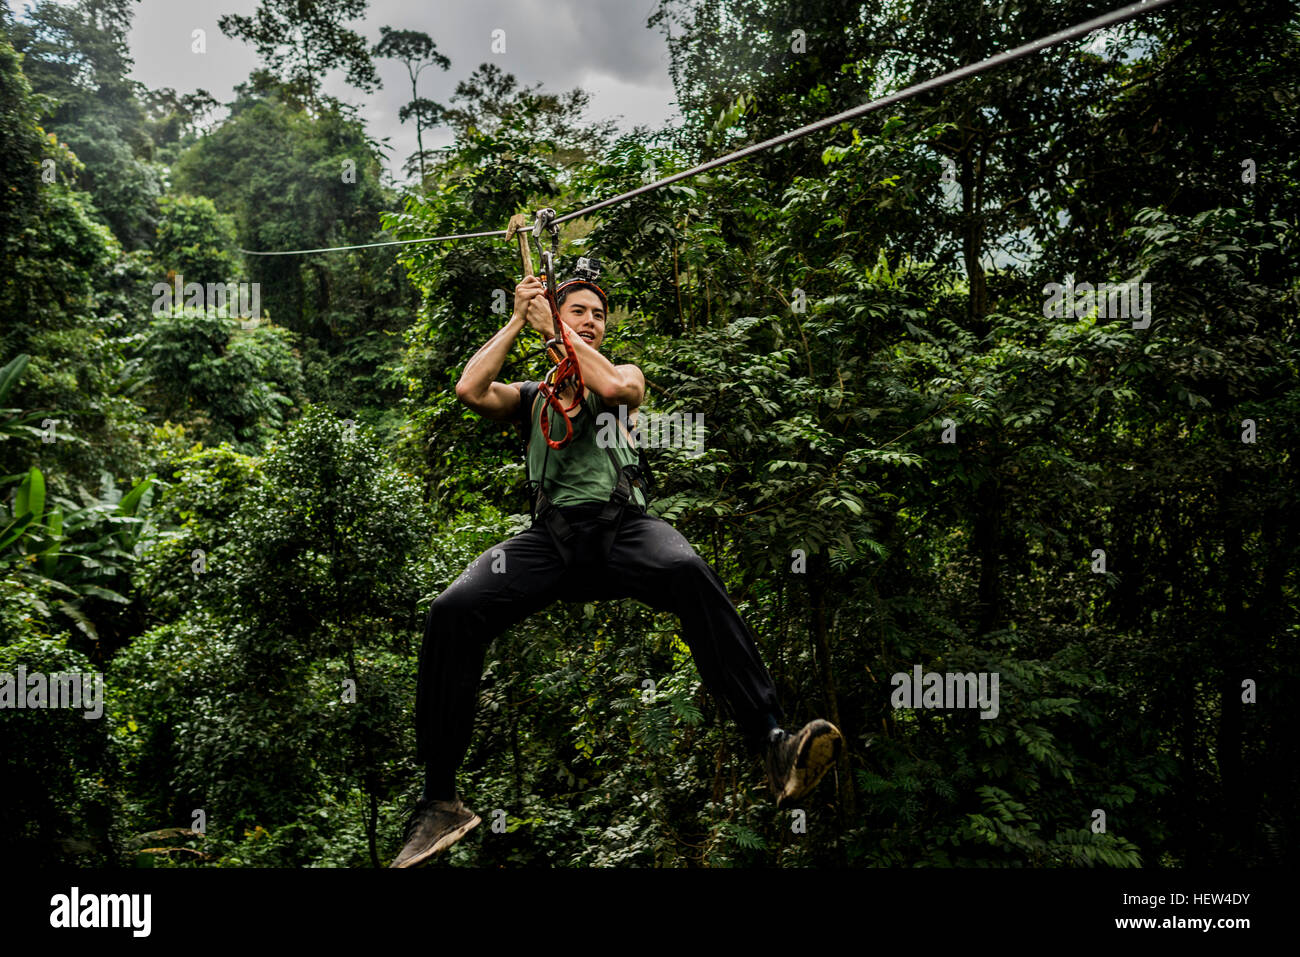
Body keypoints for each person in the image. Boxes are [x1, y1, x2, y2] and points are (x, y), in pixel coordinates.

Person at [391, 267, 843, 868]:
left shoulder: (621, 375)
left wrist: (557, 331)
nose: (591, 321)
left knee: (688, 571)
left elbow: (618, 393)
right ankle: (440, 800)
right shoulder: (532, 397)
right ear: (557, 317)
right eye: (578, 311)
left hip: (624, 529)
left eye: (598, 315)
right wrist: (517, 320)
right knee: (451, 612)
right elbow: (471, 390)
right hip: (550, 541)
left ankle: (771, 741)